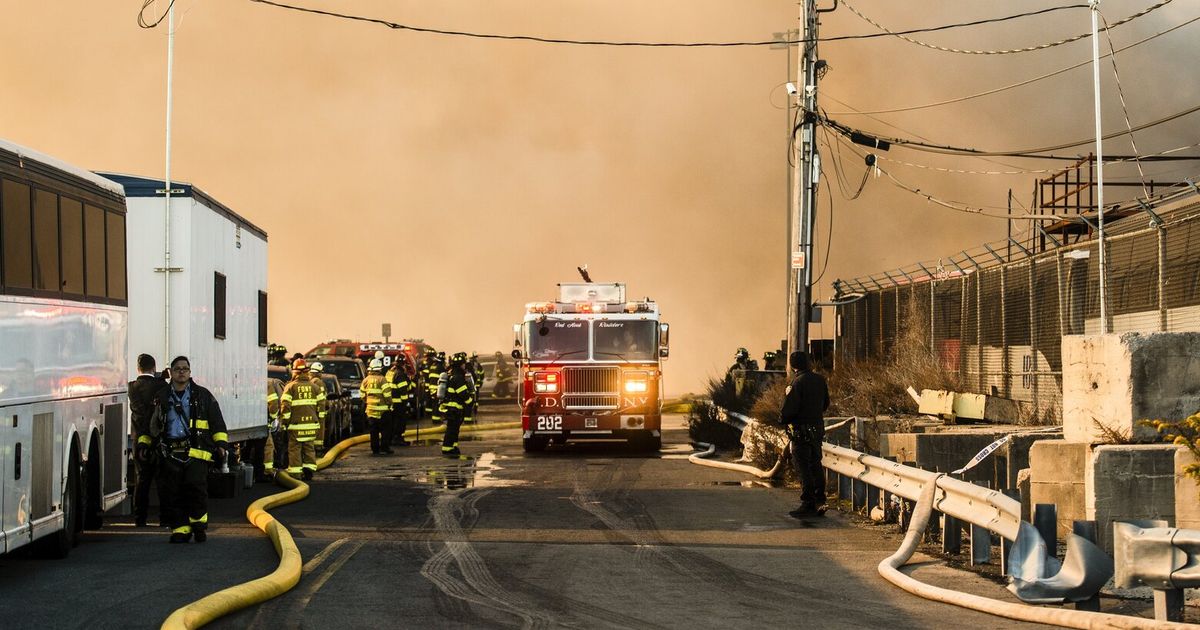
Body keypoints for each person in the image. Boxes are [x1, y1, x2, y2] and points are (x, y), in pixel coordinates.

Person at [146, 356, 229, 543]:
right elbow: (150, 423)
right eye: (177, 369)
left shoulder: (203, 395)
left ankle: (199, 526)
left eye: (185, 368)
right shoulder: (162, 396)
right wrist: (145, 443)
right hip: (170, 453)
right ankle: (181, 529)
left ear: (190, 372)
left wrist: (221, 444)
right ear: (171, 373)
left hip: (197, 451)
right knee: (173, 492)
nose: (181, 372)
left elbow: (216, 421)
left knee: (196, 488)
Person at [780, 351, 830, 518]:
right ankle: (820, 500)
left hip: (801, 431)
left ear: (793, 365)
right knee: (816, 464)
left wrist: (783, 419)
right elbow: (825, 404)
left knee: (803, 466)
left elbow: (789, 409)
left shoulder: (796, 383)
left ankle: (808, 502)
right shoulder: (820, 380)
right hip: (817, 429)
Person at [129, 353, 168, 527]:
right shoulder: (161, 386)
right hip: (159, 438)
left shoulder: (133, 387)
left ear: (138, 369)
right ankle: (164, 518)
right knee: (162, 480)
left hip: (139, 439)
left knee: (142, 479)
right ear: (154, 367)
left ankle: (140, 519)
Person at [281, 358, 325, 480]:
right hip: (312, 425)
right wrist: (319, 421)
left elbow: (285, 407)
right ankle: (309, 471)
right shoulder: (315, 387)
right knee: (309, 448)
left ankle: (295, 474)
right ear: (306, 371)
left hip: (296, 426)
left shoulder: (290, 387)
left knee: (295, 449)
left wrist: (284, 422)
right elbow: (321, 405)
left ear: (294, 372)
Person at [437, 352, 475, 457]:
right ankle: (447, 448)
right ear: (460, 364)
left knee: (454, 429)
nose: (464, 365)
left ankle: (452, 446)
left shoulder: (451, 373)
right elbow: (462, 392)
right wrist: (469, 401)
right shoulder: (458, 376)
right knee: (452, 429)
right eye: (463, 363)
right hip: (454, 408)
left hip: (452, 407)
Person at [361, 359, 393, 454]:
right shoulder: (382, 379)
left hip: (370, 411)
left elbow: (362, 395)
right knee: (385, 431)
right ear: (380, 369)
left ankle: (375, 449)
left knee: (373, 431)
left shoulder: (366, 380)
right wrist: (390, 404)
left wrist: (369, 403)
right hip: (383, 411)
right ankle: (384, 448)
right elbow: (387, 395)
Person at [385, 357, 416, 446]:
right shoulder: (400, 374)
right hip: (399, 402)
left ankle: (391, 438)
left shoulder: (390, 372)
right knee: (400, 422)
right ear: (403, 364)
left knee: (393, 422)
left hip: (391, 401)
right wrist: (405, 402)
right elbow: (403, 390)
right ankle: (398, 439)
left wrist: (411, 381)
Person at [262, 376, 285, 480]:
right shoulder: (268, 384)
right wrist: (272, 417)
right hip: (265, 422)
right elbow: (273, 403)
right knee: (269, 446)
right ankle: (267, 471)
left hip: (249, 422)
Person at [309, 361, 329, 452]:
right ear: (319, 373)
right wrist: (322, 412)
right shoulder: (319, 382)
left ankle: (313, 447)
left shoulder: (309, 381)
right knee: (320, 429)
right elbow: (322, 399)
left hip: (311, 410)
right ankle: (318, 447)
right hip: (318, 411)